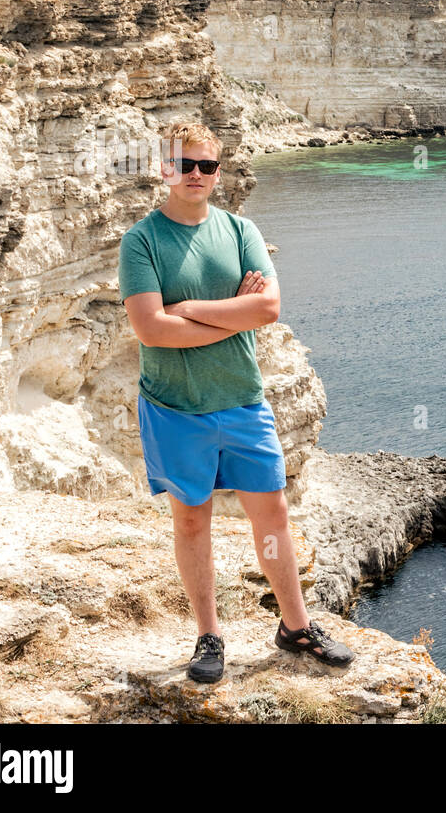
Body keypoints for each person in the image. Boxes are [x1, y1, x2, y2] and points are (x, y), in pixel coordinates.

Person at [117, 120, 352, 683]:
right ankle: (208, 636)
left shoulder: (241, 230)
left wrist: (189, 309)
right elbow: (151, 331)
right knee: (192, 522)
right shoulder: (141, 241)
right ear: (163, 169)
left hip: (243, 401)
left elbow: (267, 310)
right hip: (174, 405)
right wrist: (226, 313)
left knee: (271, 515)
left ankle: (295, 627)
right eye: (183, 164)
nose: (195, 175)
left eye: (207, 166)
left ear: (219, 172)